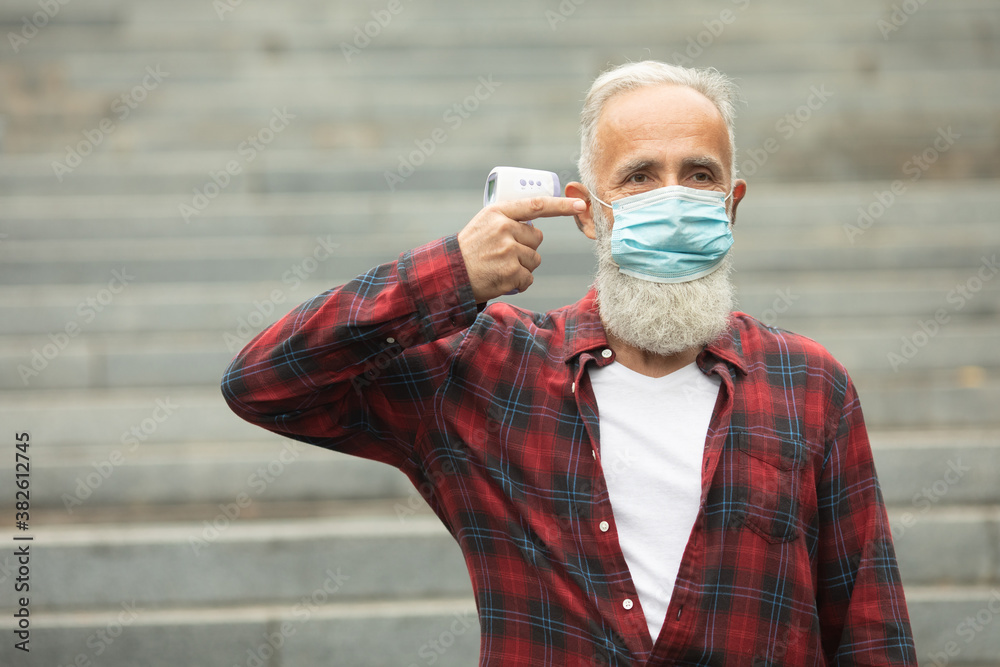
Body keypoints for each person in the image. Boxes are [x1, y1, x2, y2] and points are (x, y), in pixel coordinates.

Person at [222, 61, 917, 665]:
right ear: (587, 212)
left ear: (731, 205)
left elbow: (869, 625)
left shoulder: (809, 383)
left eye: (698, 174)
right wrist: (449, 276)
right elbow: (265, 382)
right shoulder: (487, 369)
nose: (672, 198)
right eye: (640, 175)